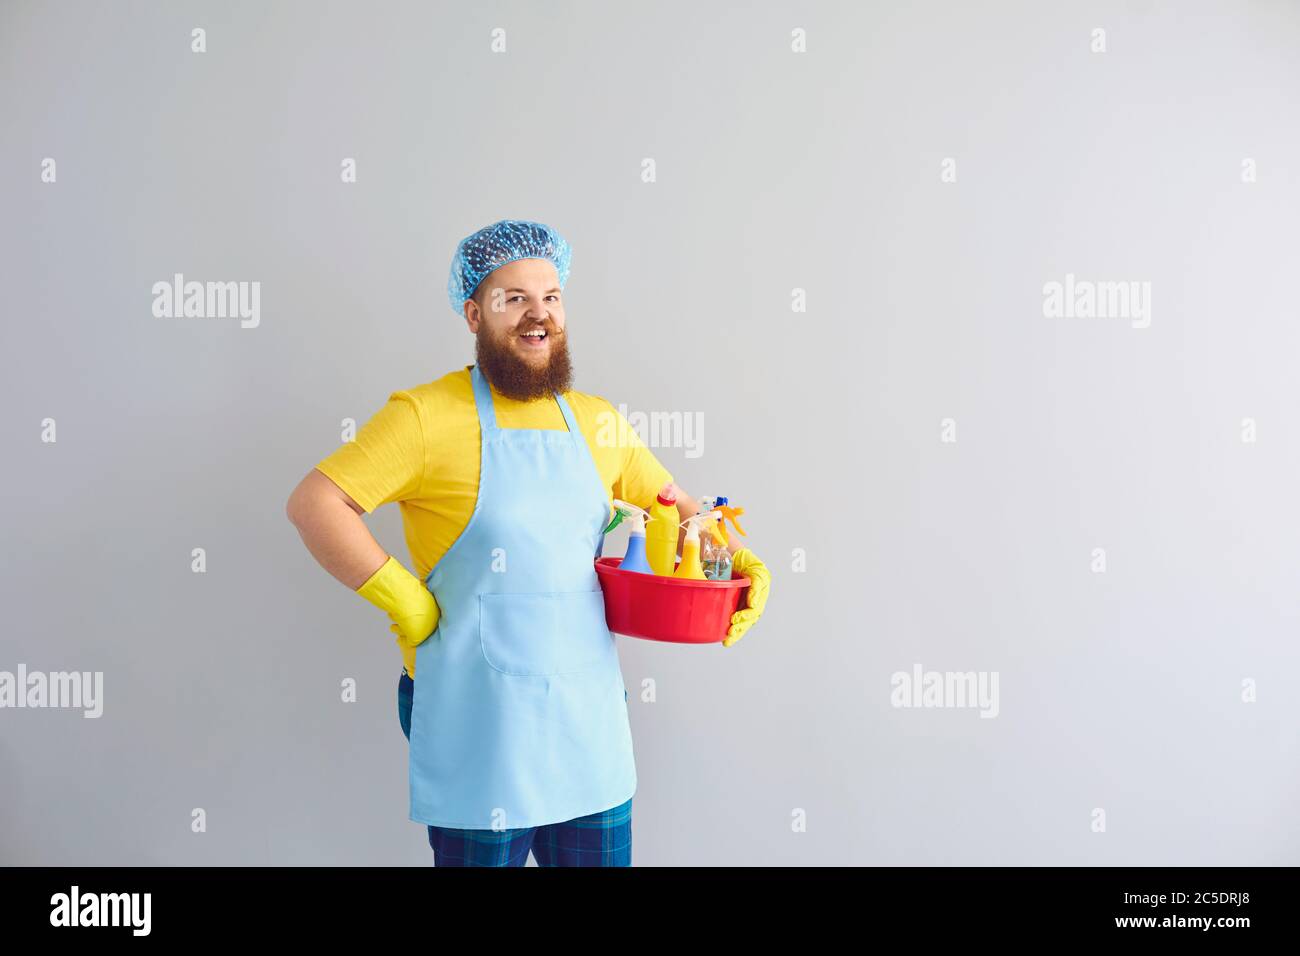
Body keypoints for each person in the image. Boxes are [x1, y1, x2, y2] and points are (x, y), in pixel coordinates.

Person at [286, 219, 771, 866]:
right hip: (479, 716)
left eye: (551, 296)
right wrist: (405, 601)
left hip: (585, 716)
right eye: (513, 298)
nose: (538, 315)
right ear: (472, 313)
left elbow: (680, 515)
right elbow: (316, 503)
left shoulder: (598, 421)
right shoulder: (426, 416)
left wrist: (732, 562)